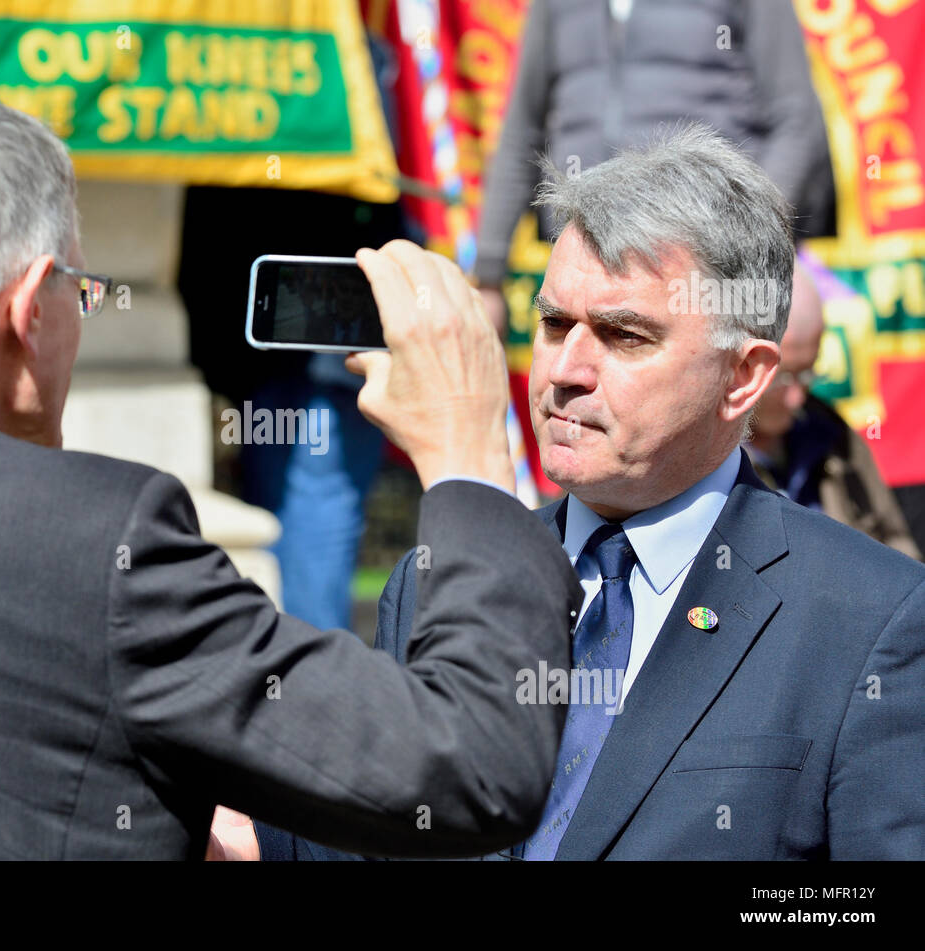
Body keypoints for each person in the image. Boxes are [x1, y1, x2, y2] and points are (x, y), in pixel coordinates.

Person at [0, 82, 582, 860]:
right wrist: (466, 454)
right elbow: (469, 768)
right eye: (82, 290)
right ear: (33, 306)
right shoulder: (99, 539)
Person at [253, 125, 925, 860]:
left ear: (743, 376)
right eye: (552, 322)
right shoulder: (432, 582)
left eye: (624, 335)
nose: (565, 369)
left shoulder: (873, 619)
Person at [474, 0, 834, 338]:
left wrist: (751, 247)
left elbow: (797, 121)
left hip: (702, 266)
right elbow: (521, 135)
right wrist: (488, 276)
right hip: (586, 259)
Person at [747, 261, 921, 559]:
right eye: (784, 379)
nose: (797, 399)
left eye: (810, 374)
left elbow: (898, 549)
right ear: (741, 364)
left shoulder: (833, 435)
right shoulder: (706, 467)